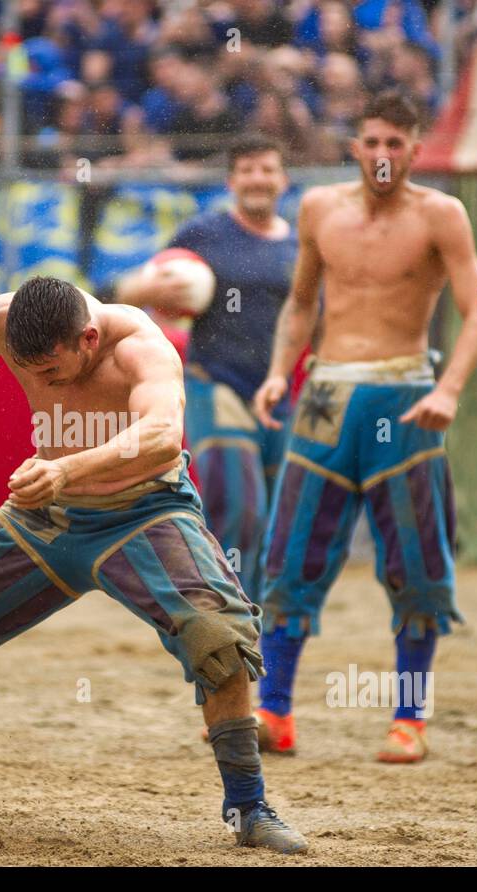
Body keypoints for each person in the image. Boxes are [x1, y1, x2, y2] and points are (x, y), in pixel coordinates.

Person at [0, 276, 307, 854]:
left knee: (220, 636)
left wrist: (66, 469)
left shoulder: (142, 346)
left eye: (51, 373)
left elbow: (163, 435)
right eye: (28, 371)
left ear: (88, 339)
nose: (38, 384)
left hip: (144, 512)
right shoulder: (2, 319)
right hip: (45, 517)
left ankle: (248, 806)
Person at [250, 91, 477, 762]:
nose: (383, 155)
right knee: (290, 554)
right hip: (325, 394)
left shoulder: (443, 215)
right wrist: (279, 372)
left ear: (415, 151)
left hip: (405, 394)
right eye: (372, 142)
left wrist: (449, 388)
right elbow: (300, 305)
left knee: (415, 562)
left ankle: (409, 720)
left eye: (396, 144)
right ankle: (274, 712)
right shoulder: (319, 208)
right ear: (354, 147)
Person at [116, 133, 298, 604]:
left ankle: (256, 617)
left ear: (284, 179)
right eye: (248, 170)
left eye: (267, 169)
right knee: (239, 507)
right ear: (231, 180)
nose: (258, 178)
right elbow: (129, 289)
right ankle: (218, 608)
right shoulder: (203, 234)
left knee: (279, 514)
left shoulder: (300, 245)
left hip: (278, 393)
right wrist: (147, 289)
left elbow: (312, 315)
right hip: (212, 384)